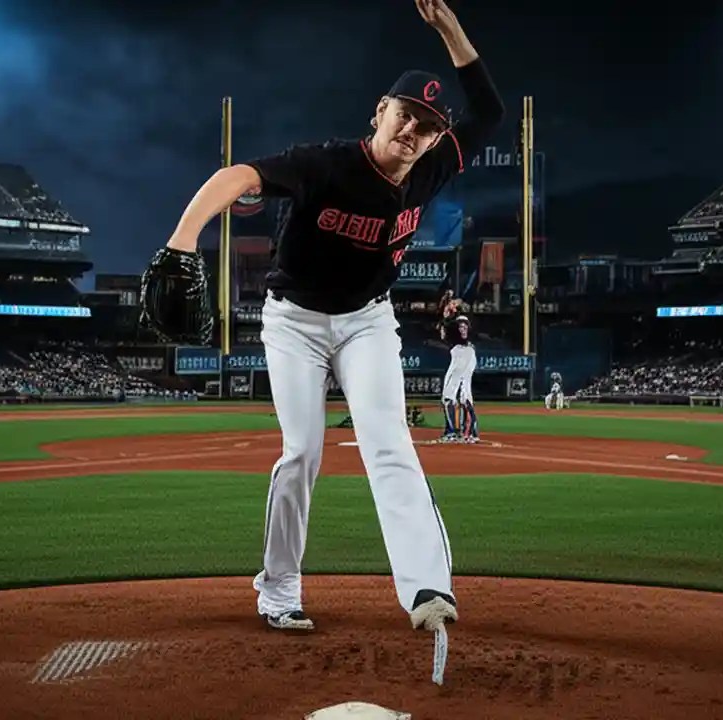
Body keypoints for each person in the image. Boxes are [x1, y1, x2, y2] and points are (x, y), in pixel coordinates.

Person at [155, 0, 504, 636]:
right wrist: (183, 240)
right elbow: (238, 174)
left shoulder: (429, 169)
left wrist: (450, 29)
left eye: (427, 126)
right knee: (302, 452)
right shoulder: (327, 164)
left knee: (390, 440)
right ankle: (279, 586)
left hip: (368, 321)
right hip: (295, 323)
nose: (414, 132)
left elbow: (491, 112)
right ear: (380, 111)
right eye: (406, 115)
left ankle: (427, 587)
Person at [438, 298, 479, 443]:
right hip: (470, 354)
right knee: (465, 395)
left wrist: (446, 314)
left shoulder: (453, 321)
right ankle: (471, 433)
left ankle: (451, 432)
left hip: (460, 354)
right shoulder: (466, 319)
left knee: (448, 396)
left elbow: (444, 335)